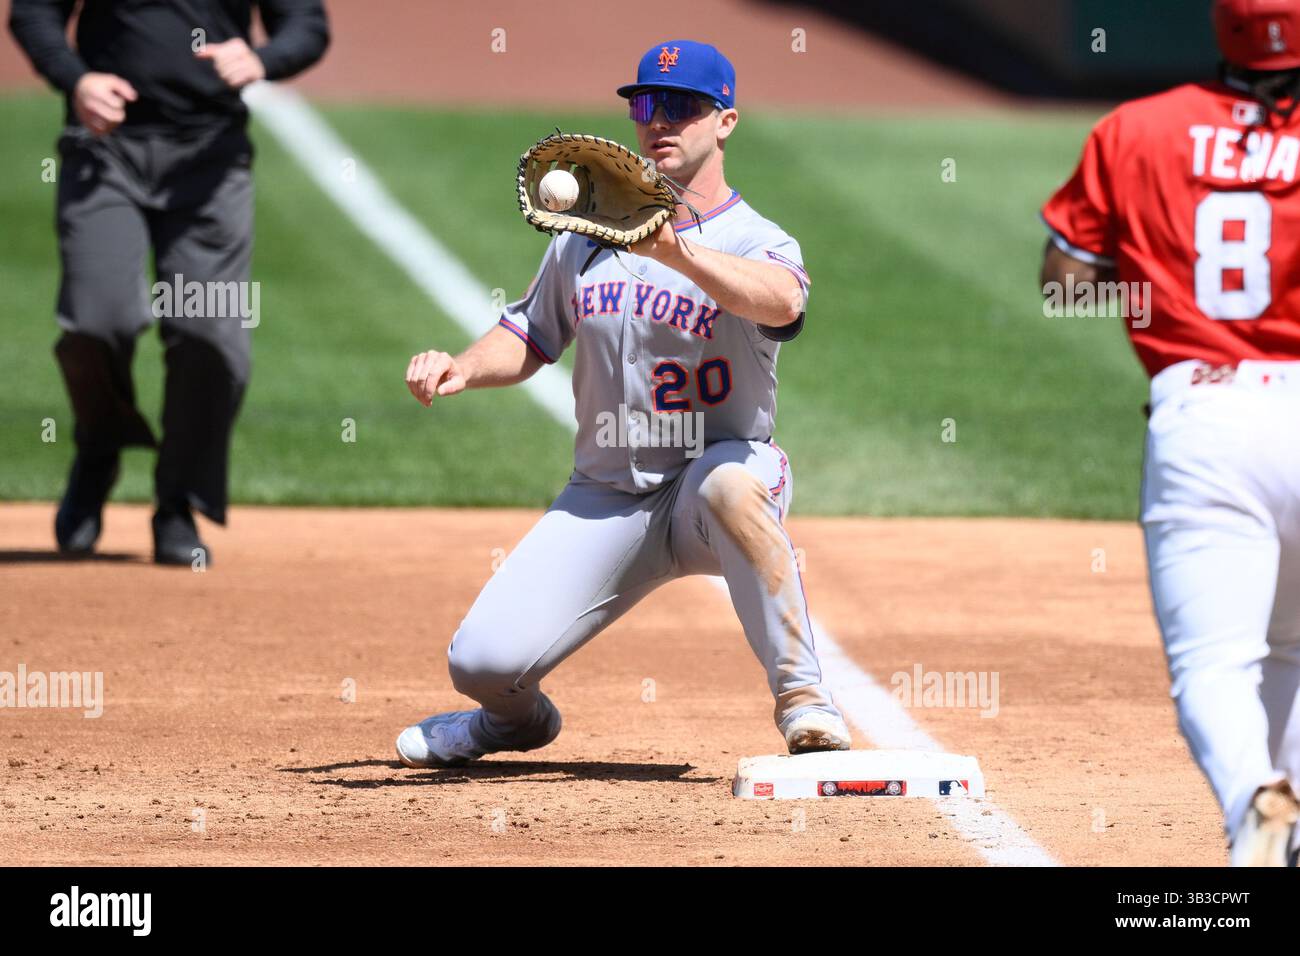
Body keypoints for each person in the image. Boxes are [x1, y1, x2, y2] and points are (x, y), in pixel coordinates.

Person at [397, 40, 850, 766]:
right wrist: (462, 365)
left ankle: (805, 702)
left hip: (712, 486)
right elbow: (531, 333)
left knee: (732, 481)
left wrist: (675, 252)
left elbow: (782, 302)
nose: (658, 122)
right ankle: (509, 725)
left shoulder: (756, 239)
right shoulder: (584, 242)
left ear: (725, 121)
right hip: (608, 498)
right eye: (645, 106)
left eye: (680, 107)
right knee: (480, 665)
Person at [1040, 0, 1300, 866]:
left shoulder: (1136, 128)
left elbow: (1064, 282)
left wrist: (1157, 283)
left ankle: (1255, 801)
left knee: (1217, 663)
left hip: (1205, 416)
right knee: (1295, 647)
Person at [8, 0, 329, 565]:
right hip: (104, 149)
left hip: (210, 161)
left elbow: (305, 23)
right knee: (96, 321)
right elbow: (33, 11)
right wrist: (76, 79)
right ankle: (99, 444)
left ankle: (177, 500)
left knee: (209, 336)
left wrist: (262, 59)